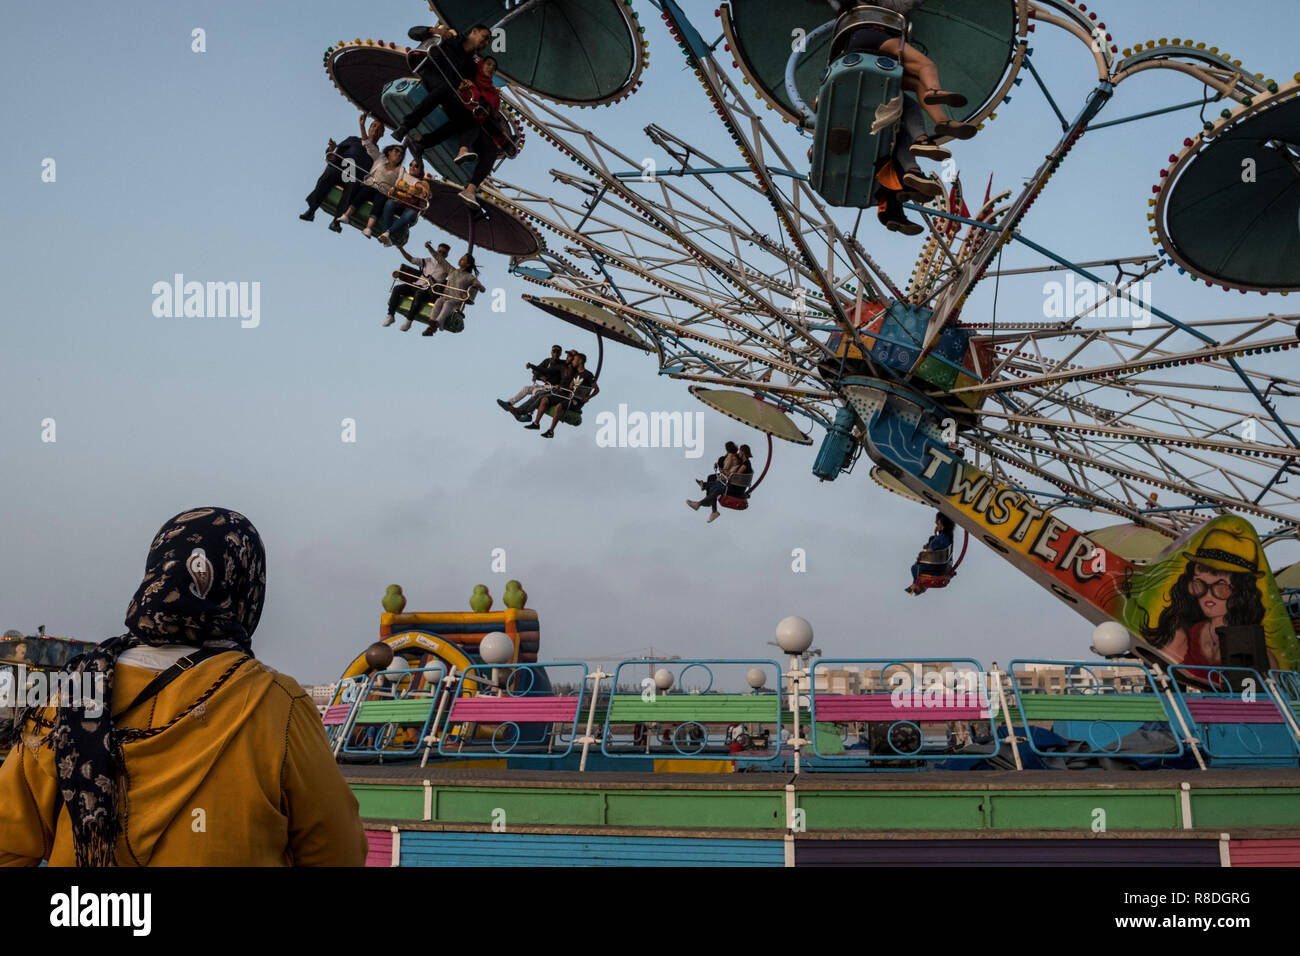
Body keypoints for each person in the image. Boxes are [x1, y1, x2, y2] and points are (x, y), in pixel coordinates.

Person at [0, 508, 368, 866]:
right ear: (245, 585)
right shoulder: (276, 704)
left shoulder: (74, 694)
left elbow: (8, 845)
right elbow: (337, 851)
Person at [828, 1, 977, 140]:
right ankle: (934, 90)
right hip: (876, 35)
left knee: (918, 84)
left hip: (852, 49)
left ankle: (943, 122)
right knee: (925, 65)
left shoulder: (847, 8)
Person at [1141, 530, 1274, 668]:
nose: (1208, 595)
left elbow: (1264, 684)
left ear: (1241, 592)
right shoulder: (1186, 633)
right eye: (1199, 585)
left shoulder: (1257, 648)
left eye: (1221, 588)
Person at [392, 23, 492, 150]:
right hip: (431, 74)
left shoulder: (471, 67)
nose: (486, 41)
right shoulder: (449, 39)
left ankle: (422, 143)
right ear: (474, 31)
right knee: (444, 88)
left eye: (488, 41)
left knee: (467, 119)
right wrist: (433, 31)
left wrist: (462, 87)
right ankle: (406, 126)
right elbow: (412, 32)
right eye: (485, 36)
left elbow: (457, 86)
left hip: (446, 89)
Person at [302, 114, 384, 228]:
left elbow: (369, 148)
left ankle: (337, 221)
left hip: (355, 176)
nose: (376, 129)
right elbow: (336, 152)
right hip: (341, 167)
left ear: (382, 134)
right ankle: (311, 210)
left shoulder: (378, 155)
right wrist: (332, 149)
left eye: (379, 129)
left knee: (353, 184)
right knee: (331, 172)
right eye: (374, 126)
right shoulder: (353, 140)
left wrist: (362, 126)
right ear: (370, 128)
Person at [452, 56, 507, 208]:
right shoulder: (470, 80)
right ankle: (462, 150)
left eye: (493, 67)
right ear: (481, 65)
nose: (490, 68)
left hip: (478, 126)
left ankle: (470, 190)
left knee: (491, 151)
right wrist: (461, 89)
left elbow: (493, 115)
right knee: (474, 119)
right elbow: (455, 96)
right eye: (488, 64)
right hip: (462, 116)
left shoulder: (494, 94)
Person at [335, 137, 406, 238]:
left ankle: (368, 228)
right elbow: (368, 145)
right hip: (371, 184)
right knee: (365, 191)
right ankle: (346, 215)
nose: (399, 154)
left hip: (383, 191)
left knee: (380, 200)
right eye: (397, 150)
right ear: (389, 152)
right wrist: (362, 126)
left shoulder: (401, 170)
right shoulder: (380, 158)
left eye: (402, 153)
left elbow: (406, 181)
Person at [527, 352, 598, 437]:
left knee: (559, 406)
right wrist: (560, 387)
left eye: (574, 360)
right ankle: (536, 423)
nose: (572, 361)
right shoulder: (576, 374)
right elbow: (571, 388)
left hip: (576, 400)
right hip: (568, 396)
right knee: (545, 399)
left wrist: (588, 397)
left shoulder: (588, 374)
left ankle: (551, 431)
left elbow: (597, 389)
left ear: (579, 361)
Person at [385, 241, 452, 330]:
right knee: (397, 288)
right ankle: (390, 315)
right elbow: (411, 259)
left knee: (419, 294)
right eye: (439, 251)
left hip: (429, 291)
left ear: (446, 255)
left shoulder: (447, 268)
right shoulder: (428, 261)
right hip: (417, 285)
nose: (441, 254)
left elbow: (456, 277)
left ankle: (409, 320)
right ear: (436, 251)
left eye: (444, 253)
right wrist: (401, 249)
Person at [423, 253, 486, 336]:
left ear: (467, 264)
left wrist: (476, 285)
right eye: (461, 258)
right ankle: (431, 324)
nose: (460, 260)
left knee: (448, 303)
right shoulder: (452, 271)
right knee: (439, 301)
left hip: (456, 302)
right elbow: (440, 260)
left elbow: (483, 289)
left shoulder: (470, 277)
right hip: (446, 297)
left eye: (463, 259)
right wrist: (429, 248)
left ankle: (437, 323)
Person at [375, 157, 432, 246]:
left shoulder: (424, 184)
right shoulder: (403, 176)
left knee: (411, 214)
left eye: (416, 166)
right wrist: (395, 190)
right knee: (390, 203)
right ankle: (386, 235)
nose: (412, 167)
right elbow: (393, 190)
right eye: (411, 165)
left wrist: (416, 194)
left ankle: (386, 233)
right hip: (399, 202)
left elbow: (423, 201)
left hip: (410, 207)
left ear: (420, 170)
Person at [498, 345, 565, 410]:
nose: (555, 354)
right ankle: (510, 403)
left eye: (557, 352)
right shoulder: (547, 361)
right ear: (551, 352)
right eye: (554, 352)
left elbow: (546, 370)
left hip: (553, 388)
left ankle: (528, 413)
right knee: (526, 388)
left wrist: (532, 366)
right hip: (546, 386)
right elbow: (536, 370)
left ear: (560, 354)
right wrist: (538, 376)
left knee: (535, 391)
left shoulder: (561, 364)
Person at [906, 512, 956, 594]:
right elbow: (938, 546)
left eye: (937, 522)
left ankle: (917, 584)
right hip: (943, 566)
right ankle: (917, 585)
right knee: (917, 567)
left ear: (942, 524)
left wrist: (920, 558)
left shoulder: (938, 540)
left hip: (935, 568)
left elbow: (929, 552)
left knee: (914, 567)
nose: (935, 523)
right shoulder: (948, 536)